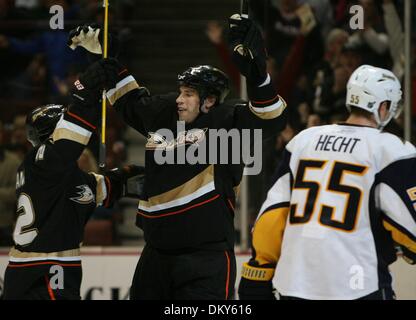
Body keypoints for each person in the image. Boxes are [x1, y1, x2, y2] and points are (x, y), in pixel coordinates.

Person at [68, 14, 288, 299]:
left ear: (209, 100)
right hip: (156, 255)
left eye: (188, 94)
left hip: (206, 260)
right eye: (180, 91)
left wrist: (259, 76)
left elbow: (271, 119)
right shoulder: (167, 112)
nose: (179, 99)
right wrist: (107, 58)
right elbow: (130, 103)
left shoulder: (228, 119)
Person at [238, 64, 416, 300]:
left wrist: (258, 269)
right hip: (359, 287)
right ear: (383, 107)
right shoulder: (392, 149)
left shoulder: (304, 140)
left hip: (296, 285)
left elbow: (273, 215)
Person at [2, 61, 144, 300]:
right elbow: (74, 131)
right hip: (45, 266)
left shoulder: (50, 172)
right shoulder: (44, 159)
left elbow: (103, 188)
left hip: (35, 266)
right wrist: (86, 87)